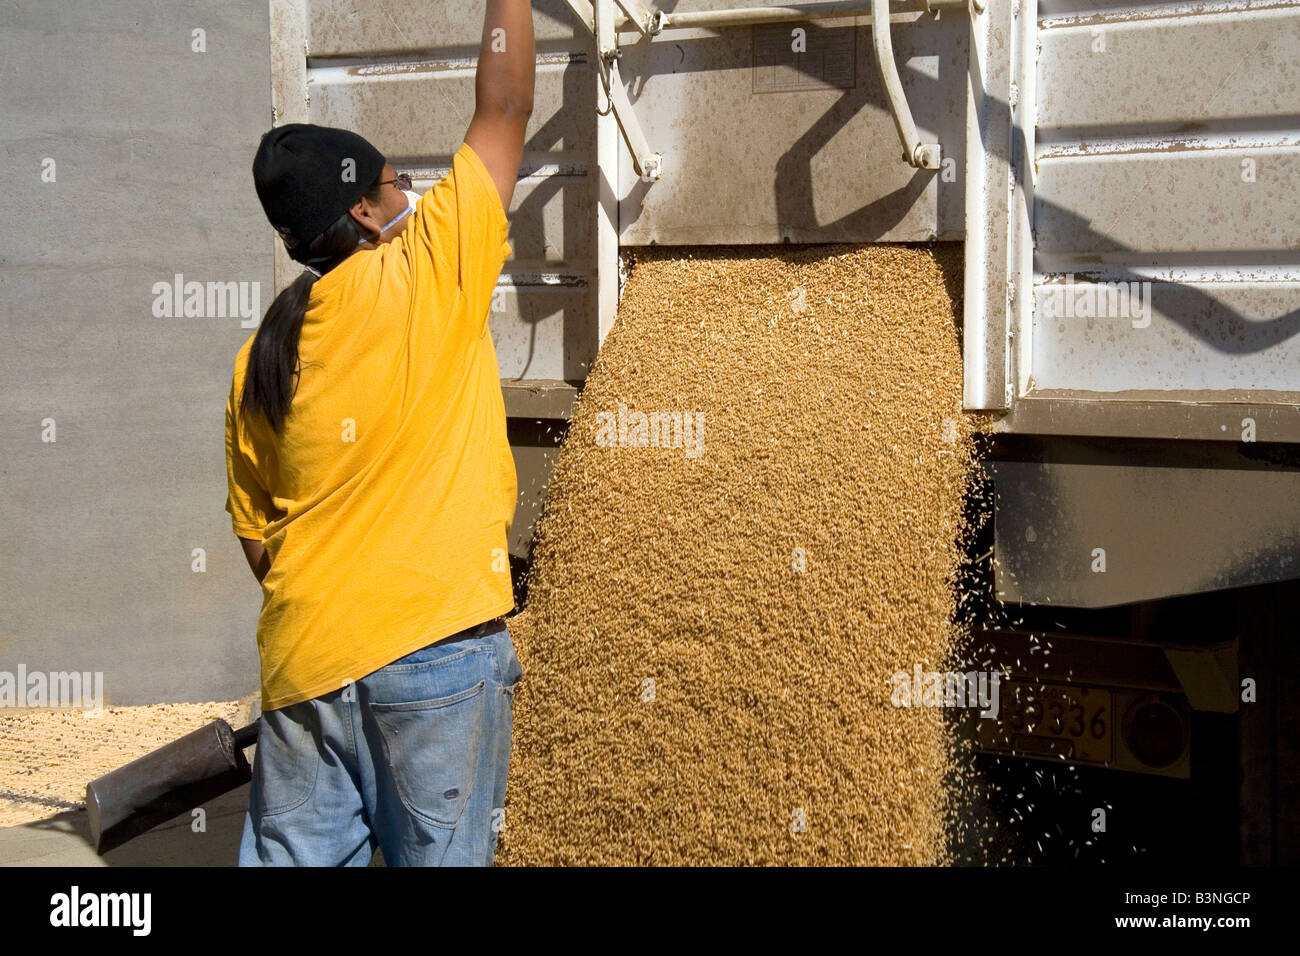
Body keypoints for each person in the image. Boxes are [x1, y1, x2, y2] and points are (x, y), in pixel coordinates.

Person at [224, 0, 535, 866]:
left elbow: (260, 538)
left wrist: (336, 612)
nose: (413, 194)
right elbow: (505, 107)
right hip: (431, 663)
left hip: (302, 670)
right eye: (398, 180)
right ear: (365, 211)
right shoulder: (431, 265)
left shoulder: (261, 357)